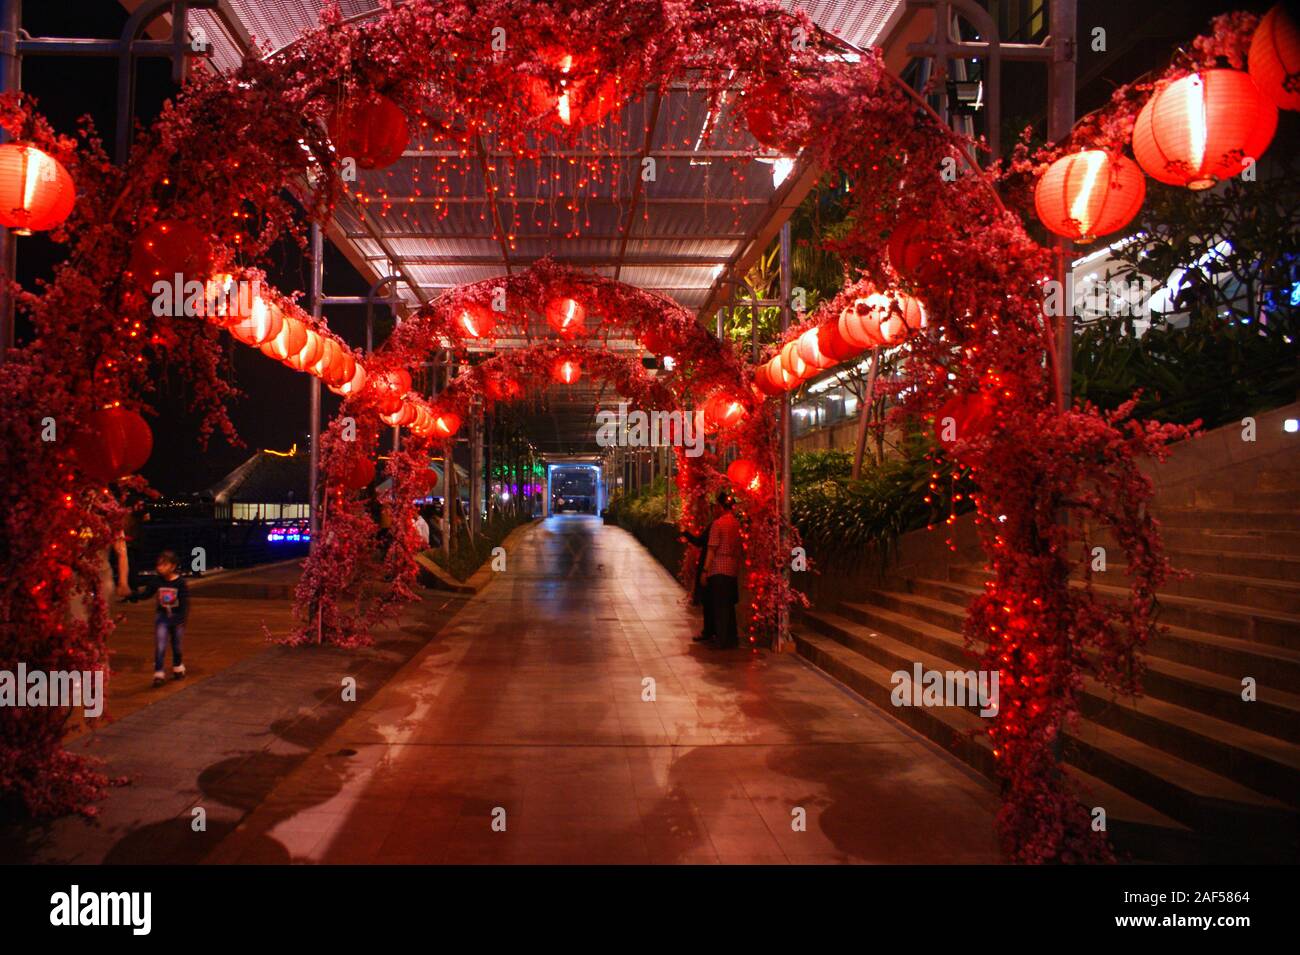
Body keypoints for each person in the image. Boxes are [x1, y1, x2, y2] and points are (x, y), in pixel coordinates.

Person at [128, 550, 190, 687]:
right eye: (159, 565)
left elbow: (184, 603)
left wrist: (181, 618)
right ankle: (159, 672)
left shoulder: (180, 583)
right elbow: (146, 594)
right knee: (160, 645)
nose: (160, 567)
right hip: (162, 617)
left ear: (173, 566)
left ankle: (178, 666)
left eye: (164, 565)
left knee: (177, 645)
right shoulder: (157, 581)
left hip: (177, 618)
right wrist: (131, 595)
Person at [702, 490, 742, 650]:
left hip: (718, 570)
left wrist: (705, 571)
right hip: (732, 570)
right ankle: (732, 638)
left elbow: (711, 550)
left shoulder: (717, 524)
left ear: (720, 506)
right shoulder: (736, 524)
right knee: (729, 605)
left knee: (719, 607)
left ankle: (722, 639)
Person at [682, 502, 720, 644]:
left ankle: (709, 632)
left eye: (714, 507)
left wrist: (685, 532)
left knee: (708, 601)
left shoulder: (715, 526)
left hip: (711, 567)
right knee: (713, 603)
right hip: (721, 569)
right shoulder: (727, 524)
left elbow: (700, 543)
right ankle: (714, 632)